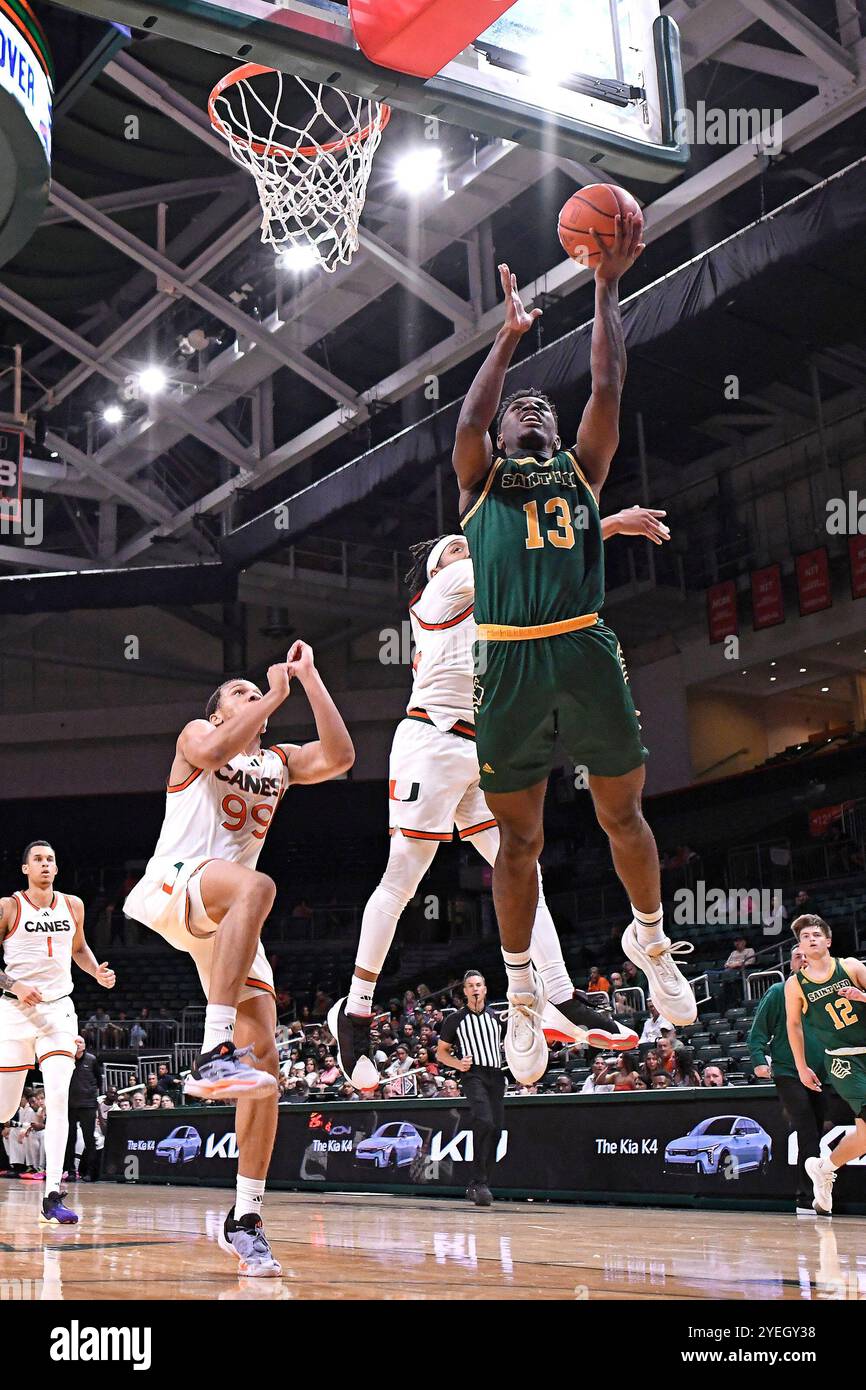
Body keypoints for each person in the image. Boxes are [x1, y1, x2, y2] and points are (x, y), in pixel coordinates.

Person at [451, 246, 695, 1086]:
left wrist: (605, 285)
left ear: (552, 434)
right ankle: (523, 992)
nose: (526, 410)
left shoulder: (582, 474)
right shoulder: (481, 482)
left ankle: (651, 939)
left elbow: (606, 387)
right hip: (511, 664)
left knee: (622, 816)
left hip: (585, 647)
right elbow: (468, 424)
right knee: (519, 839)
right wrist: (507, 340)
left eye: (537, 410)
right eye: (516, 408)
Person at [328, 504, 662, 1089]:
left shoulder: (493, 600)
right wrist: (606, 524)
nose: (466, 546)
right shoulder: (445, 587)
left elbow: (546, 585)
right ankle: (353, 1013)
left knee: (520, 870)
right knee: (404, 875)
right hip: (430, 741)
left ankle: (559, 995)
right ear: (437, 569)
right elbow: (528, 553)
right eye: (455, 546)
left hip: (478, 749)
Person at [122, 642, 353, 1276]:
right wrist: (273, 694)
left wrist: (307, 678)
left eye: (258, 693)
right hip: (178, 881)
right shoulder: (198, 735)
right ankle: (211, 1050)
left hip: (228, 921)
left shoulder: (277, 761)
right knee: (259, 885)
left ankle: (245, 1216)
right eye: (241, 694)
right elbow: (214, 752)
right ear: (219, 711)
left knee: (269, 1065)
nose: (253, 697)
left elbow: (340, 757)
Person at [0, 840, 115, 1225]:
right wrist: (15, 986)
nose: (46, 864)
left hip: (58, 1011)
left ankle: (53, 1195)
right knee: (4, 1107)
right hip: (15, 1012)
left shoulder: (73, 905)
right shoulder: (9, 907)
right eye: (38, 860)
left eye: (51, 859)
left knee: (60, 1100)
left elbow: (79, 949)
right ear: (25, 869)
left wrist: (96, 970)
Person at [785, 914, 866, 1217]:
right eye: (805, 937)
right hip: (843, 1059)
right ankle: (825, 1168)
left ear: (828, 940)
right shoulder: (796, 985)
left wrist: (862, 996)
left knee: (864, 1136)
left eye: (817, 934)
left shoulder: (852, 967)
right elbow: (794, 1026)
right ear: (800, 947)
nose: (812, 939)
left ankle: (824, 1167)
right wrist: (802, 1067)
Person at [748, 942, 838, 1214]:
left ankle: (812, 1191)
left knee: (815, 1130)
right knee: (808, 1128)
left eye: (806, 955)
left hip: (823, 1072)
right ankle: (807, 1195)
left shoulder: (826, 993)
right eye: (797, 957)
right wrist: (759, 1060)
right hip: (789, 1070)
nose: (802, 960)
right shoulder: (778, 992)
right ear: (791, 964)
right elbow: (758, 1031)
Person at [436, 971, 506, 1207]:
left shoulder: (497, 1018)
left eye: (479, 985)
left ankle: (480, 1182)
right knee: (484, 1121)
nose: (475, 989)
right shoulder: (454, 1020)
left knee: (496, 1130)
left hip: (496, 1075)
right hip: (473, 1074)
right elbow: (441, 1052)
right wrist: (458, 1064)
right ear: (464, 991)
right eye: (470, 986)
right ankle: (479, 1181)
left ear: (485, 989)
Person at [64, 1036, 101, 1182]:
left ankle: (90, 1173)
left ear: (84, 1045)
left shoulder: (91, 1059)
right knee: (70, 1139)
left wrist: (93, 1096)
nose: (77, 1045)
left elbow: (99, 1080)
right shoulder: (67, 1060)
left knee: (89, 1139)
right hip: (70, 1105)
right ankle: (71, 1171)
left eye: (80, 1042)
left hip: (88, 1105)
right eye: (75, 1042)